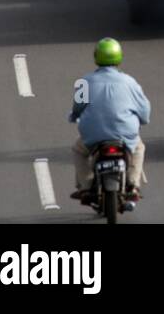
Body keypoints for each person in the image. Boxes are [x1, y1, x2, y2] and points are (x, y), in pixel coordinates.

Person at [69, 38, 150, 203]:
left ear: (96, 57)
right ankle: (133, 185)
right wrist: (142, 120)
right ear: (119, 57)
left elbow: (77, 107)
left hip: (93, 135)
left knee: (78, 150)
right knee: (138, 148)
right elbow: (144, 110)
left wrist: (73, 116)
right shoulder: (130, 82)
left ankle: (85, 187)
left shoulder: (83, 82)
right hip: (125, 134)